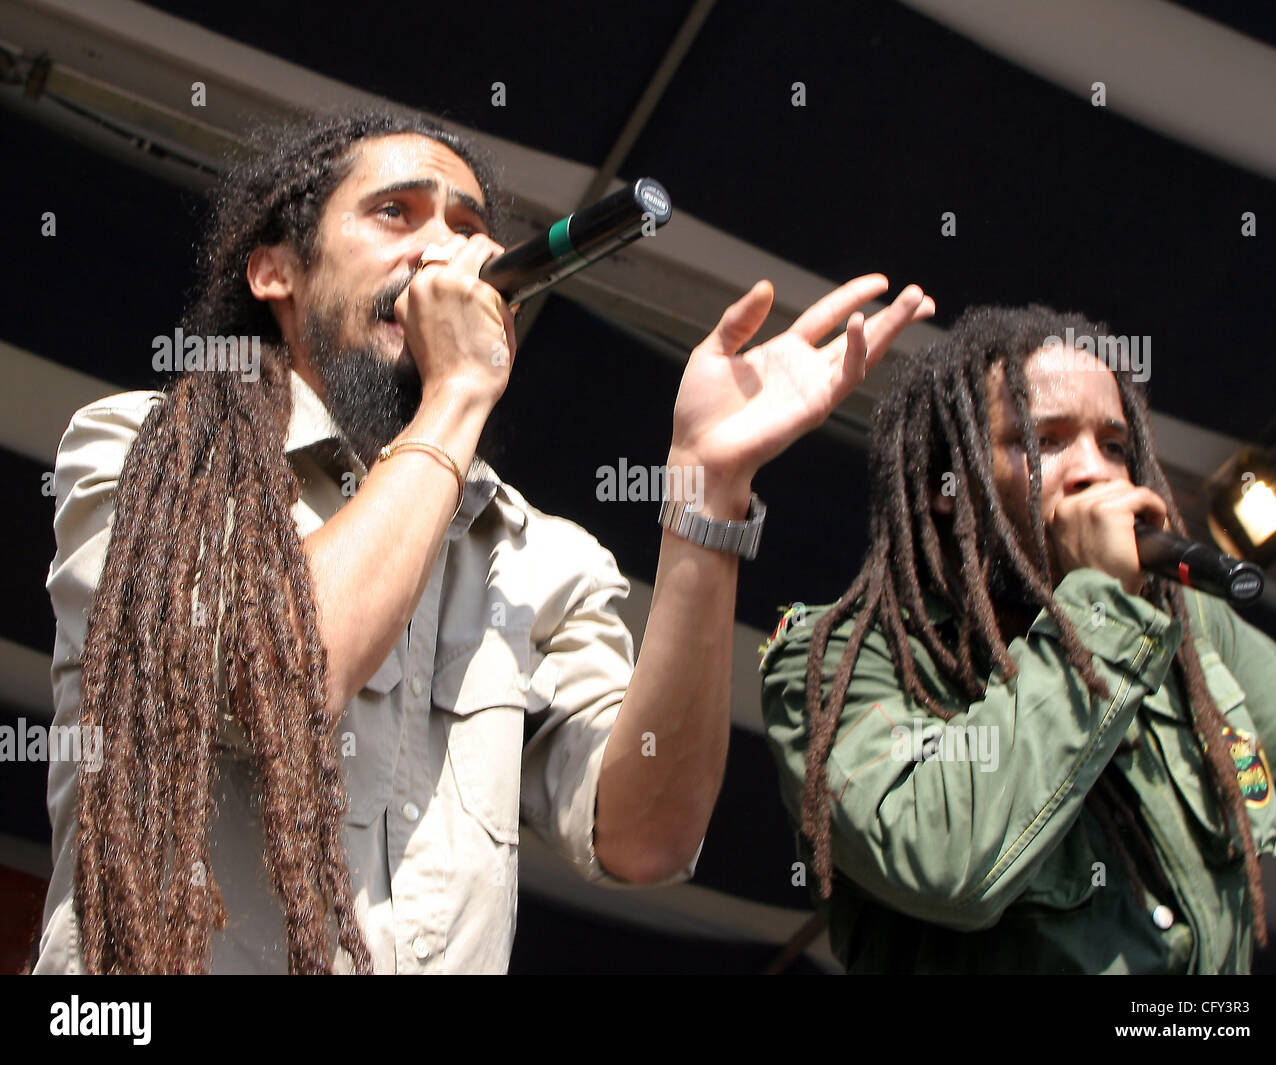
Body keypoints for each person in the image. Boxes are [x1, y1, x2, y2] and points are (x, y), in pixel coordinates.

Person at [34, 107, 933, 973]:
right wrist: (457, 394)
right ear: (276, 272)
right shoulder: (154, 455)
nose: (444, 253)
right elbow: (266, 680)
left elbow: (644, 835)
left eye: (469, 228)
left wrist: (710, 481)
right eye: (395, 213)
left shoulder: (540, 556)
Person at [760, 304, 1276, 974]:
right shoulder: (842, 658)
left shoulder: (1185, 623)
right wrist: (1101, 609)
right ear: (944, 487)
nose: (1094, 472)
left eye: (1114, 446)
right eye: (1044, 441)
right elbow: (946, 860)